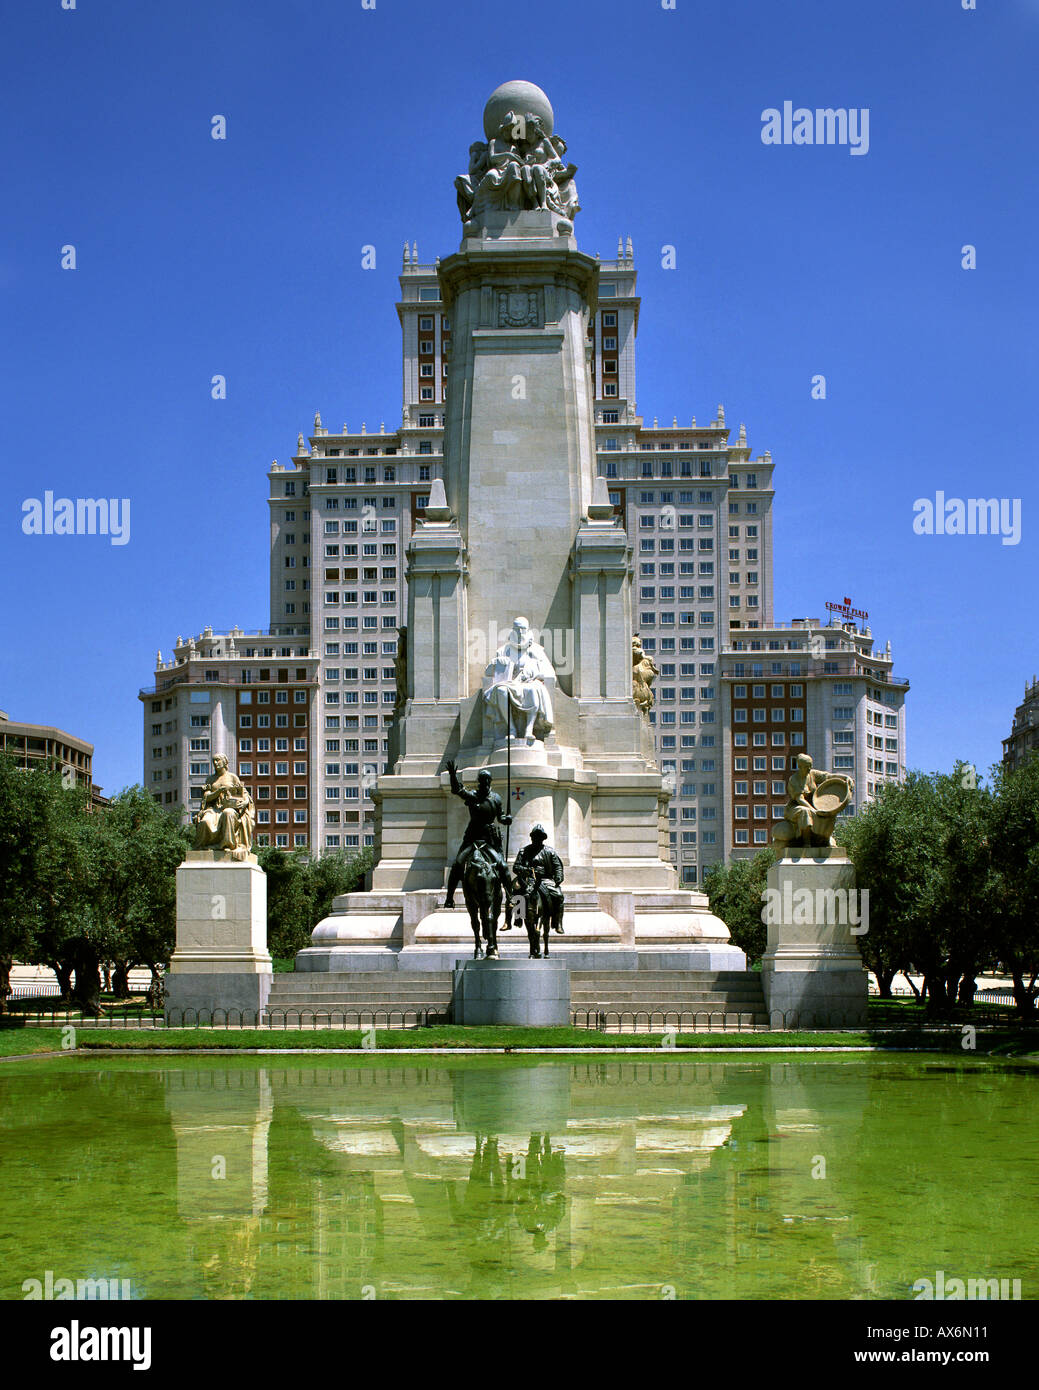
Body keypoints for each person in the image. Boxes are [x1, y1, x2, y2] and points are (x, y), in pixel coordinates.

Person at [443, 760, 512, 909]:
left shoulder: (496, 798)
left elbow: (500, 817)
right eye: (481, 780)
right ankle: (449, 898)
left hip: (490, 839)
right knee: (457, 865)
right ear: (479, 782)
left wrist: (506, 819)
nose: (484, 783)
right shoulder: (473, 796)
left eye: (486, 780)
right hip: (472, 838)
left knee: (503, 866)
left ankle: (511, 897)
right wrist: (453, 776)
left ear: (489, 781)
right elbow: (457, 790)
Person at [193, 754, 254, 853]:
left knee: (228, 813)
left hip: (230, 808)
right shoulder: (210, 779)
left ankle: (228, 844)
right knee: (205, 821)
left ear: (225, 762)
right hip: (213, 809)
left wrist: (245, 802)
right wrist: (219, 791)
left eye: (218, 760)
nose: (215, 763)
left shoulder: (232, 777)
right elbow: (206, 798)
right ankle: (202, 846)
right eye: (214, 761)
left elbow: (244, 793)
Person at [512, 824, 565, 933]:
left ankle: (557, 922)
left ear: (543, 838)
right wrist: (527, 870)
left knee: (559, 896)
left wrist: (559, 876)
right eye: (535, 836)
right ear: (531, 837)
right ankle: (518, 916)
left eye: (539, 837)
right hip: (528, 879)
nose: (537, 839)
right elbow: (516, 867)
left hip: (546, 880)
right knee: (517, 893)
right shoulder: (523, 851)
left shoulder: (550, 852)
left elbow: (557, 866)